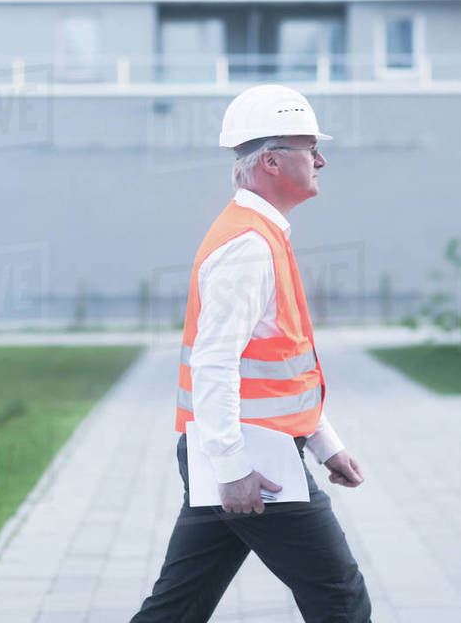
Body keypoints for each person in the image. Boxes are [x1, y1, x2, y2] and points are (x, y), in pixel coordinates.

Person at [132, 84, 372, 622]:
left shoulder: (262, 234)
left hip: (244, 449)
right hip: (253, 457)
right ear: (270, 161)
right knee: (339, 596)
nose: (321, 160)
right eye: (309, 148)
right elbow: (213, 362)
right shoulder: (249, 244)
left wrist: (323, 442)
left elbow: (279, 366)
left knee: (179, 605)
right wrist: (233, 466)